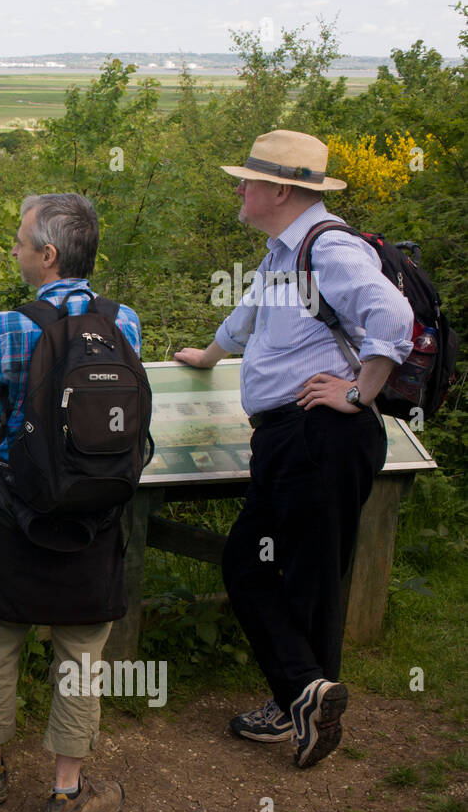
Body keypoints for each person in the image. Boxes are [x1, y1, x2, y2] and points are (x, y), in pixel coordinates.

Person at [174, 130, 413, 768]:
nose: (239, 189)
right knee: (265, 567)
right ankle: (305, 699)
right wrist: (207, 356)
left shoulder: (329, 248)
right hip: (292, 437)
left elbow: (392, 316)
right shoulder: (288, 252)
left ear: (280, 189)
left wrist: (360, 395)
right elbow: (248, 316)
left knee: (294, 575)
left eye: (248, 180)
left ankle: (296, 707)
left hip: (323, 434)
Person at [0, 192, 143, 812]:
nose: (14, 247)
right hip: (96, 507)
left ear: (48, 253)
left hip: (14, 504)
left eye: (20, 239)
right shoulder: (126, 322)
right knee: (83, 646)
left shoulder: (11, 323)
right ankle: (66, 792)